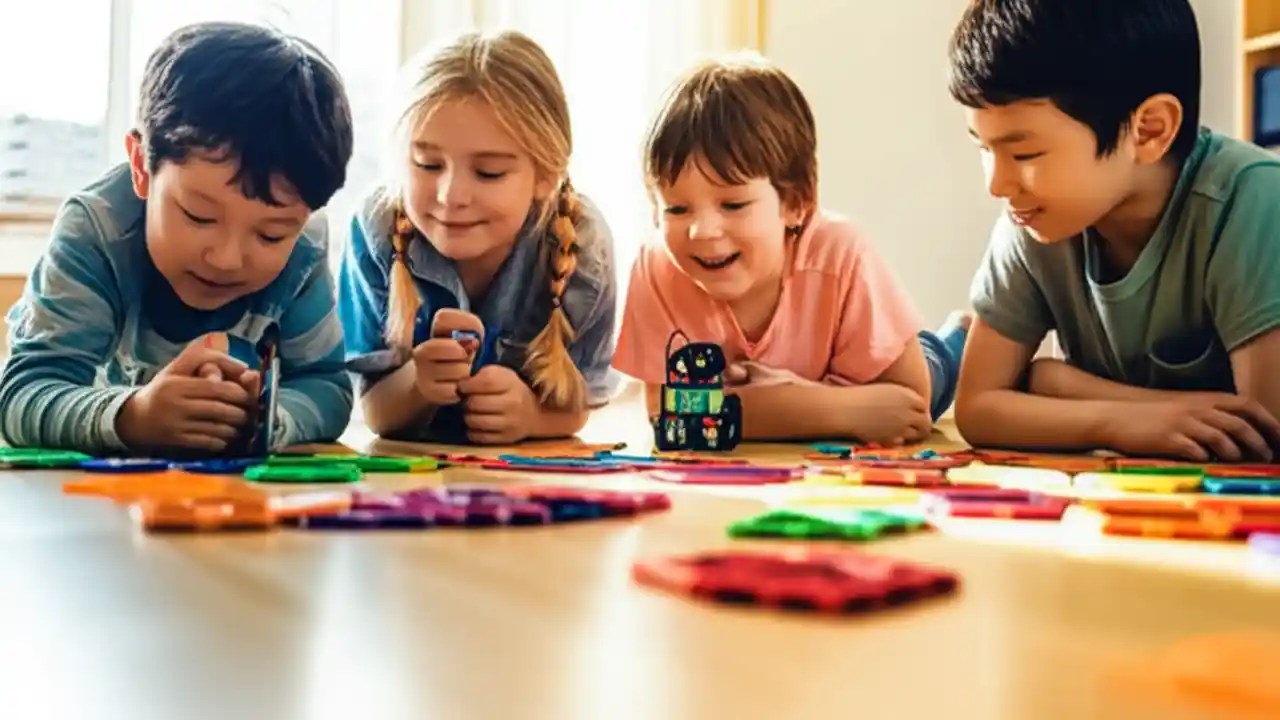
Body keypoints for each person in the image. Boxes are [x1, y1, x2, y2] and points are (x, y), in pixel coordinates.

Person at [0, 21, 354, 455]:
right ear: (141, 167)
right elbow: (22, 392)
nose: (226, 259)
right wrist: (134, 415)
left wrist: (268, 415)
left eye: (270, 234)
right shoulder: (98, 230)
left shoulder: (305, 247)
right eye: (198, 216)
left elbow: (327, 387)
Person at [950, 0, 1280, 461]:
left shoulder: (1251, 201)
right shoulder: (1033, 221)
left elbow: (1262, 432)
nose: (996, 184)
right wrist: (1127, 420)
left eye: (1024, 155)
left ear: (1148, 131)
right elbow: (978, 408)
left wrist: (1060, 384)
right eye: (984, 149)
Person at [612, 53, 968, 445]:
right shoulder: (656, 267)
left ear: (796, 202)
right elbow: (663, 413)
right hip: (847, 399)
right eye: (677, 209)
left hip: (883, 365)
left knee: (942, 365)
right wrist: (802, 407)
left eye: (733, 205)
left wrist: (748, 408)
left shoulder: (841, 253)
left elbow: (909, 409)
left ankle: (960, 336)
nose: (702, 230)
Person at [338, 30, 617, 445]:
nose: (451, 196)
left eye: (489, 173)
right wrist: (418, 382)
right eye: (428, 164)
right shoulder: (377, 229)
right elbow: (376, 412)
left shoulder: (581, 243)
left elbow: (578, 403)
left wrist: (532, 416)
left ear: (545, 175)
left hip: (520, 485)